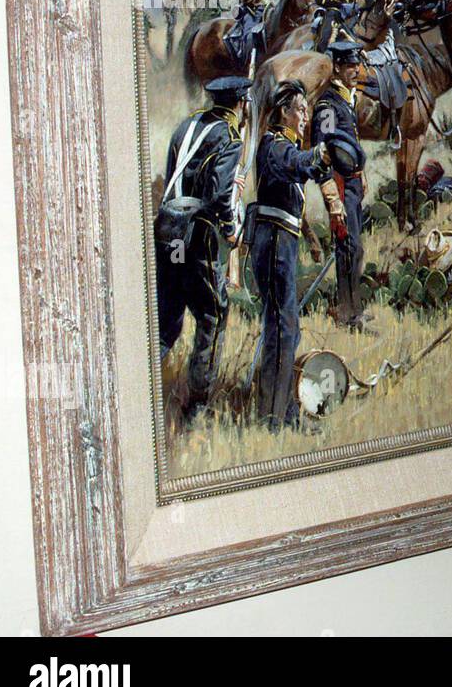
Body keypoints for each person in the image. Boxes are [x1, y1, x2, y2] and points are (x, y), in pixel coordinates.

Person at [153, 74, 251, 419]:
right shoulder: (229, 136)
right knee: (212, 314)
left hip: (168, 229)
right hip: (197, 234)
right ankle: (197, 406)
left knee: (167, 317)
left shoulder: (185, 126)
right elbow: (221, 195)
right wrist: (230, 231)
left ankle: (145, 386)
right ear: (240, 103)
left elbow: (171, 178)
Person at [248, 80, 330, 429]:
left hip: (281, 241)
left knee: (285, 328)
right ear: (283, 111)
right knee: (283, 328)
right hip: (275, 242)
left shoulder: (283, 147)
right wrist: (317, 156)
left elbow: (297, 178)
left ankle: (281, 408)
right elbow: (294, 161)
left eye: (307, 110)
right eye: (300, 109)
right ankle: (275, 417)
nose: (305, 116)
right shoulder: (274, 145)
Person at [311, 39, 370, 331]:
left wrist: (362, 174)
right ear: (336, 68)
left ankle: (352, 308)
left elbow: (352, 143)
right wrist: (332, 198)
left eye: (356, 65)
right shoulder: (327, 104)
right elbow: (320, 152)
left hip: (353, 184)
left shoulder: (346, 98)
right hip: (340, 185)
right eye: (349, 66)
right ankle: (348, 315)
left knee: (355, 250)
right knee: (348, 247)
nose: (355, 70)